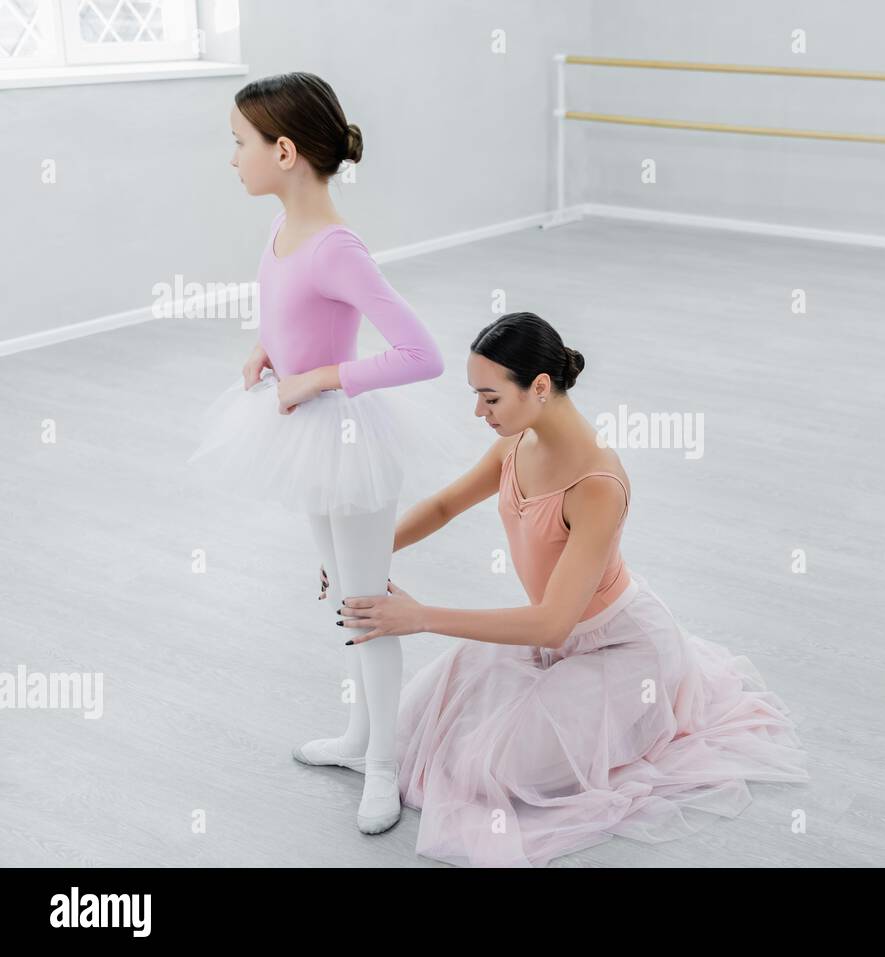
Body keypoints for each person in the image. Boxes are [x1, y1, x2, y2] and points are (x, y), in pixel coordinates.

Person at [333, 311, 812, 867]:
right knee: (420, 719)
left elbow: (553, 623)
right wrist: (363, 556)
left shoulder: (597, 485)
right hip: (551, 633)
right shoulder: (515, 445)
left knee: (486, 771)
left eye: (490, 398)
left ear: (539, 387)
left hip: (619, 648)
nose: (478, 412)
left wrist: (418, 616)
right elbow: (443, 505)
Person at [186, 72, 457, 836]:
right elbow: (289, 307)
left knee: (369, 605)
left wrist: (320, 375)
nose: (231, 158)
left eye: (238, 143)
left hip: (347, 435)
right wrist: (267, 347)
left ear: (283, 150)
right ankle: (359, 737)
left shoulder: (339, 248)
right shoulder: (278, 230)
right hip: (303, 433)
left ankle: (384, 767)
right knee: (344, 590)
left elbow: (421, 353)